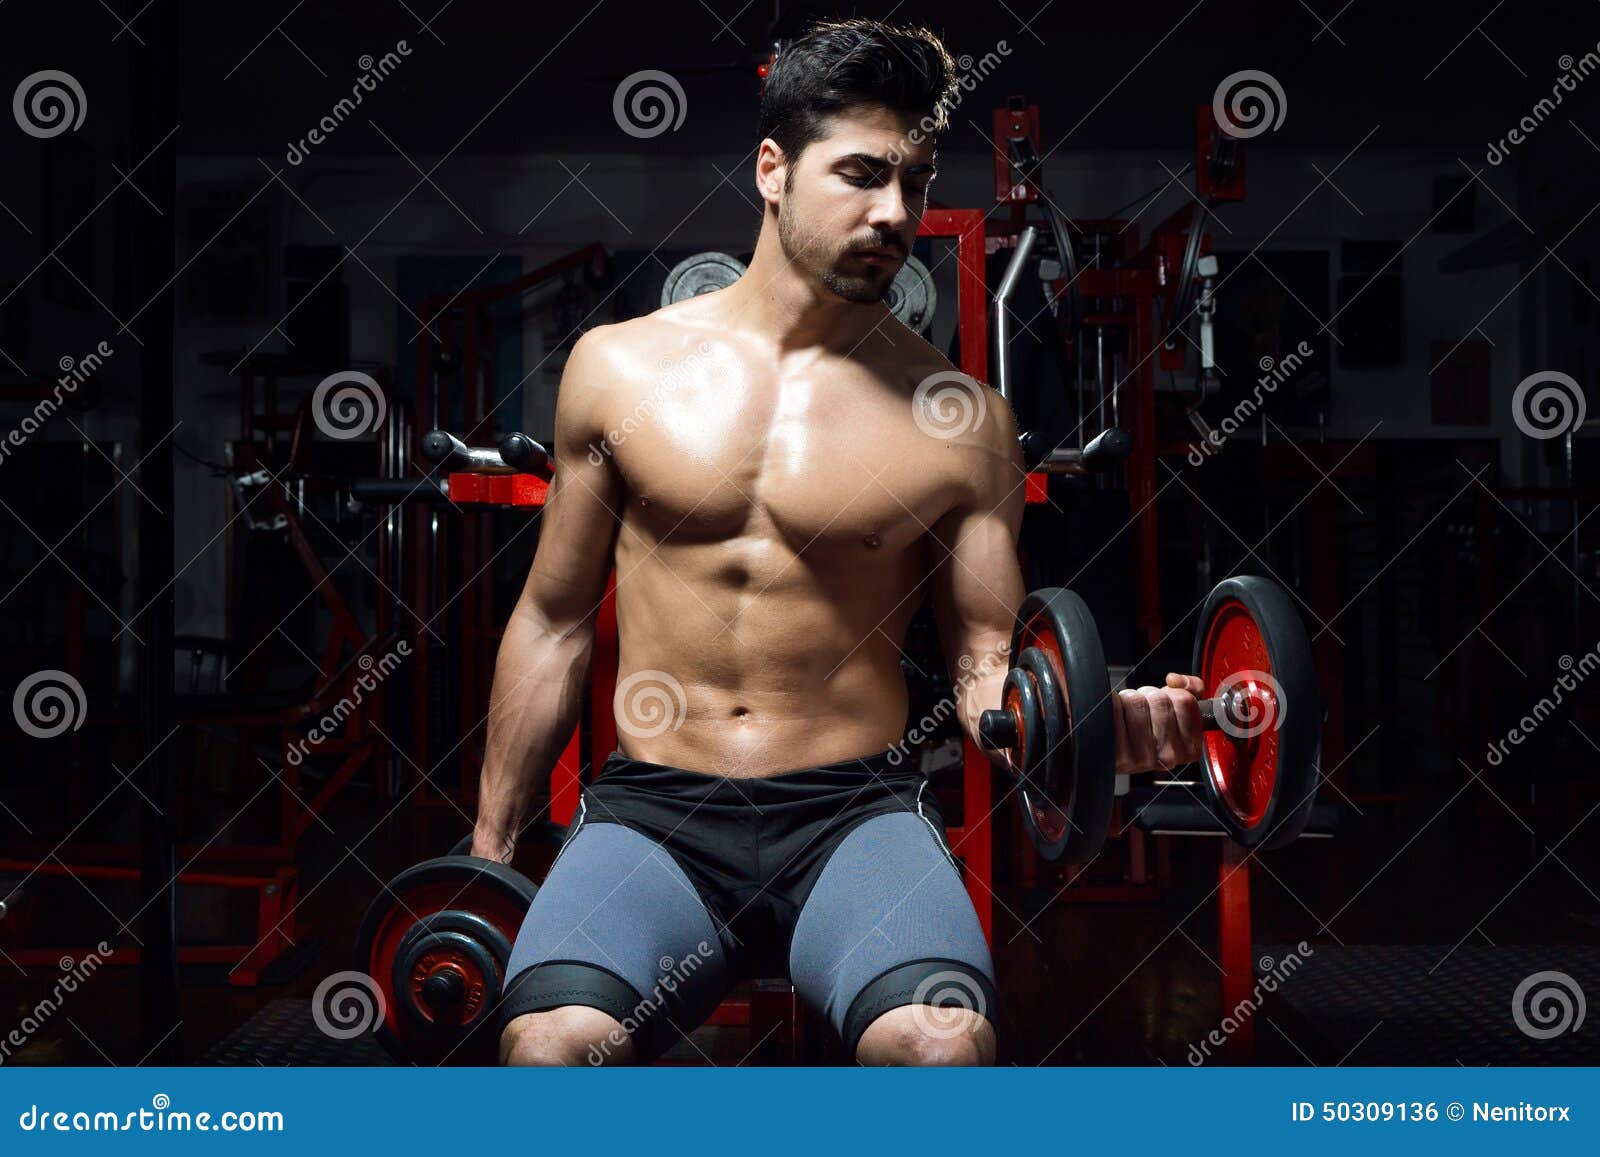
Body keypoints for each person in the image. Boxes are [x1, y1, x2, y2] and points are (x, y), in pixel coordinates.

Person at [472, 17, 1205, 1067]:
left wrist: (1084, 722)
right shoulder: (619, 371)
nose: (894, 211)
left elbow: (983, 661)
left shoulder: (962, 420)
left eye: (912, 179)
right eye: (861, 173)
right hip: (654, 813)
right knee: (550, 1049)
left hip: (852, 815)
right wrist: (488, 855)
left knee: (942, 1048)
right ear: (771, 169)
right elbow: (549, 621)